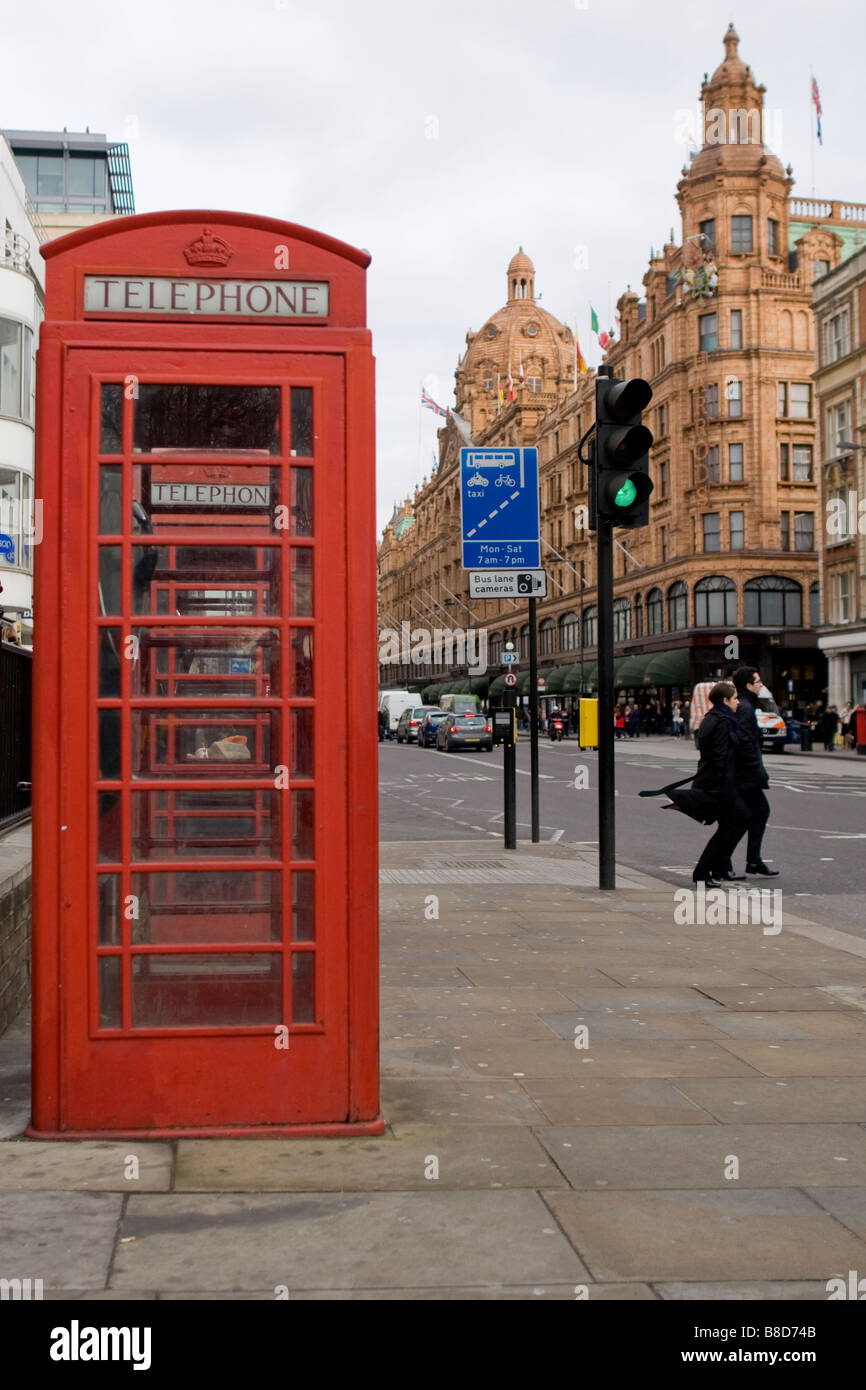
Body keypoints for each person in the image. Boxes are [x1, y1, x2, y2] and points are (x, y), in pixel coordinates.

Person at [683, 682, 750, 887]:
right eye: (735, 698)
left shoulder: (711, 718)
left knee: (734, 823)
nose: (738, 702)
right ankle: (702, 871)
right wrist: (726, 787)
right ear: (725, 701)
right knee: (738, 821)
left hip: (714, 783)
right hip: (720, 786)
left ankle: (715, 868)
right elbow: (720, 757)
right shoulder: (723, 722)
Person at [720, 667, 778, 879]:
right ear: (748, 686)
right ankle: (732, 862)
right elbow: (744, 741)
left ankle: (751, 860)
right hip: (745, 776)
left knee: (751, 815)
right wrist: (754, 768)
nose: (761, 684)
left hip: (742, 775)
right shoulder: (744, 708)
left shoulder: (744, 705)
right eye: (758, 681)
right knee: (743, 817)